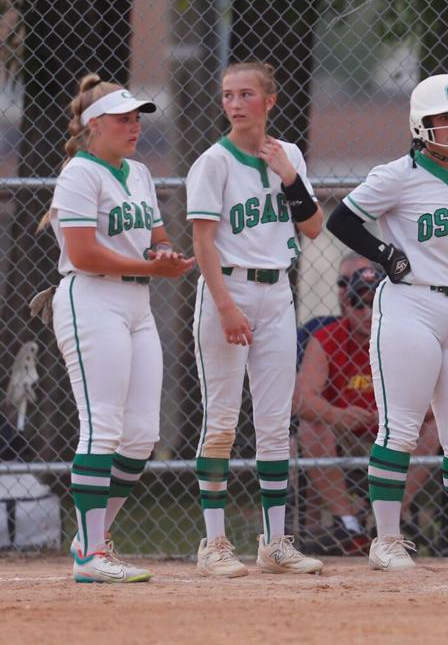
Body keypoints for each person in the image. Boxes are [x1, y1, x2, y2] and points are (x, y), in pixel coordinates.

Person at [326, 73, 448, 570]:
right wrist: (385, 254)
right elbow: (343, 219)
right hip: (411, 305)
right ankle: (385, 540)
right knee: (400, 428)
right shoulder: (397, 174)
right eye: (443, 119)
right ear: (421, 125)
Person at [49, 75, 193, 583]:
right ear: (94, 125)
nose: (134, 127)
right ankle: (90, 555)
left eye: (137, 119)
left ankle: (93, 539)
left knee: (140, 436)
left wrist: (163, 253)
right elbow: (84, 252)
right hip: (92, 298)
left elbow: (155, 235)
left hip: (135, 302)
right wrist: (153, 269)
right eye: (123, 119)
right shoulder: (80, 173)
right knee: (103, 425)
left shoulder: (138, 172)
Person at [187, 61, 325, 578]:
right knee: (221, 420)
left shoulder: (287, 155)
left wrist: (289, 176)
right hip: (229, 286)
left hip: (277, 292)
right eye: (228, 95)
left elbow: (313, 226)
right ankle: (215, 543)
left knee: (273, 423)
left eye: (247, 94)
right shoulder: (213, 162)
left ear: (269, 101)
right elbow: (202, 240)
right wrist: (225, 305)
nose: (235, 103)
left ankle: (274, 542)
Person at [294, 264, 381, 545]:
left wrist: (392, 417)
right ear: (345, 303)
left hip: (392, 431)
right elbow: (302, 400)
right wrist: (339, 415)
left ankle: (386, 523)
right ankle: (350, 526)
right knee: (311, 424)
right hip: (342, 432)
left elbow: (434, 401)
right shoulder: (326, 337)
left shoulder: (401, 337)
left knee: (433, 427)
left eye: (374, 302)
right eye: (358, 303)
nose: (367, 313)